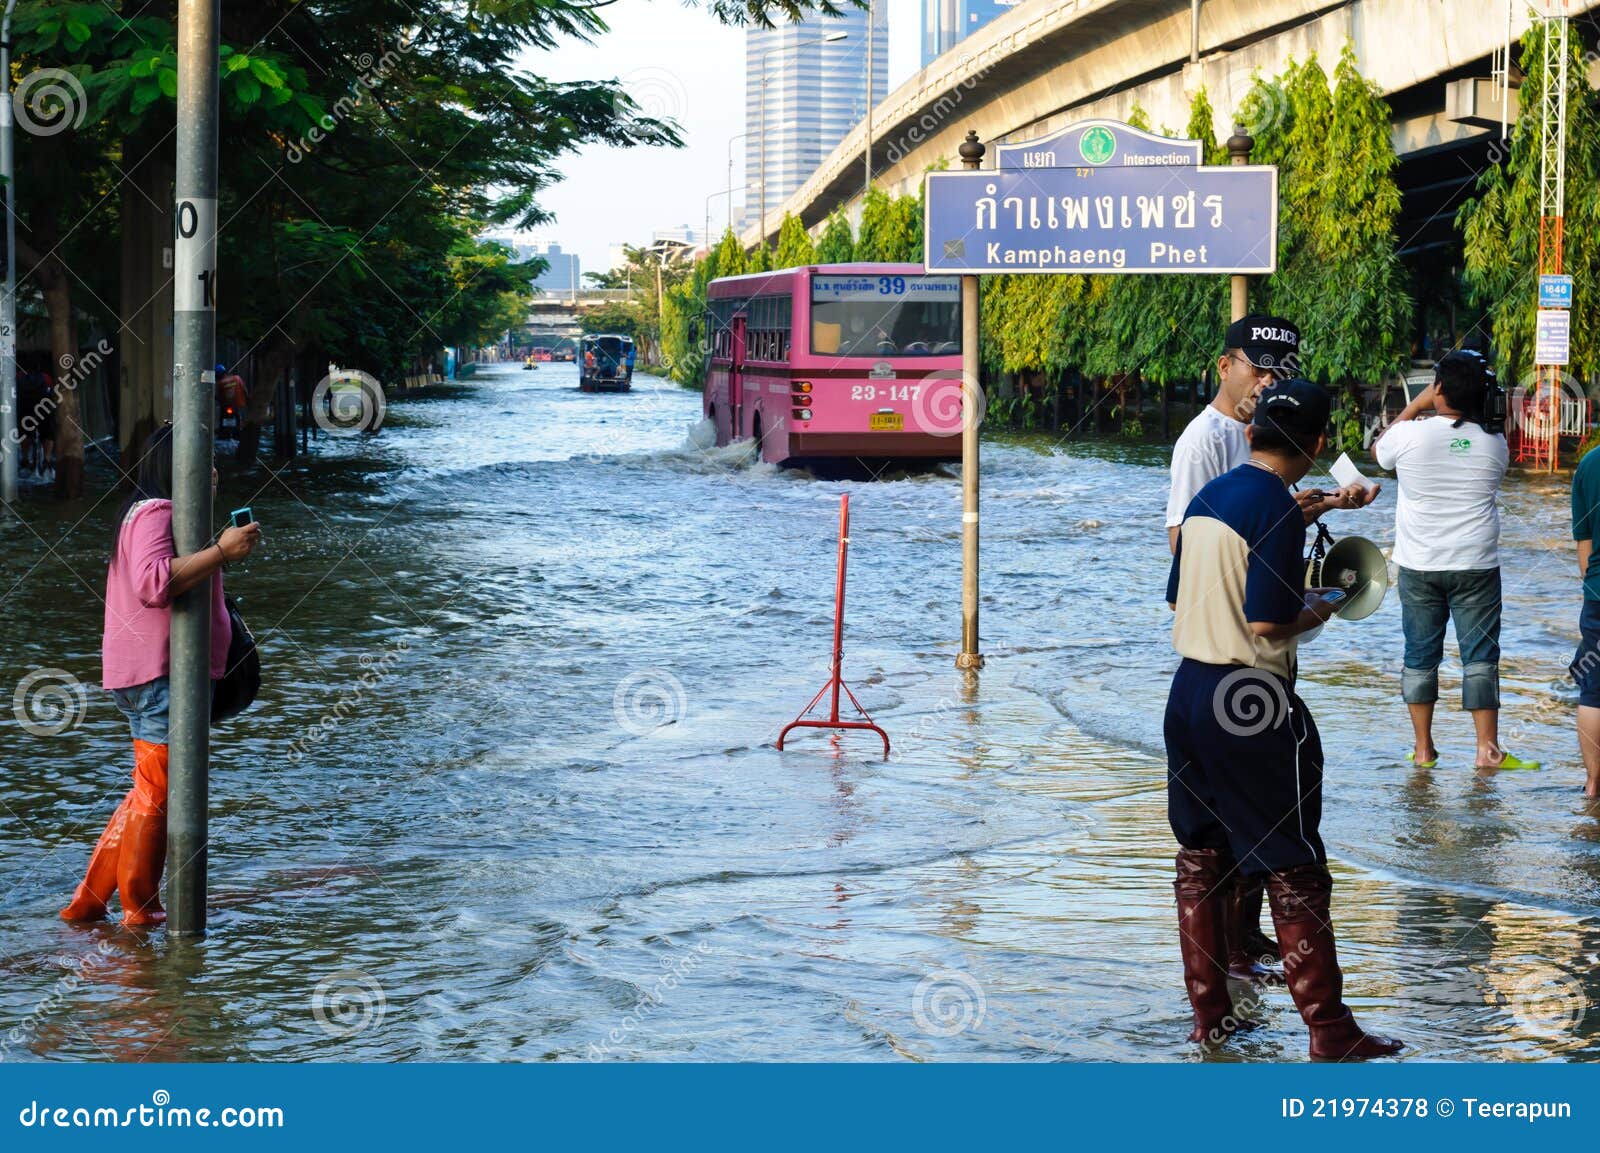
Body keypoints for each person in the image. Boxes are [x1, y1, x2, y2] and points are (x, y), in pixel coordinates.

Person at [1165, 378, 1402, 1059]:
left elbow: (1181, 590)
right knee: (1294, 862)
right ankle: (1329, 1029)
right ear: (1321, 442)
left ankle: (1210, 1018)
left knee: (1202, 859)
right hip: (1252, 699)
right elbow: (1268, 620)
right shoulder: (1272, 509)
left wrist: (1314, 509)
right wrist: (1326, 599)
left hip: (1187, 693)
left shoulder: (1214, 495)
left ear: (1250, 433)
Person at [59, 424, 261, 926]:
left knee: (147, 789)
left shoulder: (140, 512)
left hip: (143, 674)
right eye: (204, 462)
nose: (214, 471)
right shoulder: (158, 511)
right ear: (178, 468)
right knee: (159, 793)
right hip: (160, 676)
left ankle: (87, 903)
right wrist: (221, 551)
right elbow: (153, 583)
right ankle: (140, 908)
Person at [1371, 350, 1535, 771]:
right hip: (1476, 564)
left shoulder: (1409, 435)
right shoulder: (1495, 444)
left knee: (1420, 655)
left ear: (1438, 388)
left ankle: (1424, 751)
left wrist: (1416, 404)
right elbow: (1465, 440)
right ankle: (1488, 751)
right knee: (1480, 656)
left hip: (1420, 565)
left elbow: (1379, 452)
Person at [1569, 444, 1600, 796]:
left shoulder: (1589, 464)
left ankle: (1593, 783)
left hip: (1597, 594)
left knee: (1594, 690)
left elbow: (1584, 543)